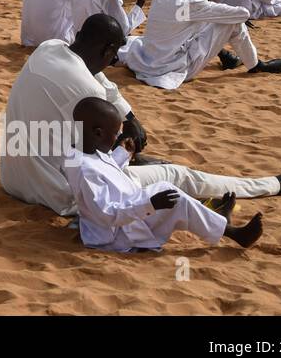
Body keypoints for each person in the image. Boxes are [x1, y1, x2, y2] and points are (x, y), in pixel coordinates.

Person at [0, 14, 281, 216]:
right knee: (177, 174)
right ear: (107, 50)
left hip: (14, 179)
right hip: (60, 195)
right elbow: (100, 158)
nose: (112, 64)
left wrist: (130, 116)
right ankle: (275, 184)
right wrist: (128, 146)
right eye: (113, 55)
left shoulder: (50, 48)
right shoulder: (87, 93)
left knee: (147, 163)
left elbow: (99, 80)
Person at [65, 97, 264, 251]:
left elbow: (108, 173)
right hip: (116, 234)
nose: (117, 137)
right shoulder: (84, 168)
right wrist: (151, 205)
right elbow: (107, 214)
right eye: (115, 134)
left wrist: (123, 154)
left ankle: (219, 222)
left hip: (129, 212)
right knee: (173, 198)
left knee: (170, 195)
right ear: (98, 133)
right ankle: (234, 233)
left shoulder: (87, 150)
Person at [120, 0, 281, 90]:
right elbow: (244, 13)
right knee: (234, 23)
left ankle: (226, 56)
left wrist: (216, 16)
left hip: (146, 61)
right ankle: (255, 65)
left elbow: (185, 16)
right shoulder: (194, 3)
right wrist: (234, 17)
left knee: (205, 21)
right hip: (170, 67)